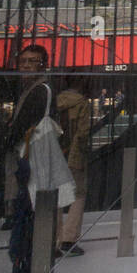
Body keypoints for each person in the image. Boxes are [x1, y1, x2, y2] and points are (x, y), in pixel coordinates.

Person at [0, 43, 52, 273]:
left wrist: (9, 133)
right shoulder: (32, 92)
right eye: (23, 61)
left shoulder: (40, 92)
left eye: (32, 62)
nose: (26, 67)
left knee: (22, 246)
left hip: (32, 175)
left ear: (42, 65)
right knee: (25, 245)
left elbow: (23, 130)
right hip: (33, 175)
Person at [56, 74, 92, 257]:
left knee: (57, 198)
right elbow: (83, 133)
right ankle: (69, 237)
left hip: (56, 155)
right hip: (73, 155)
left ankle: (53, 239)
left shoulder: (56, 101)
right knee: (78, 194)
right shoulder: (82, 103)